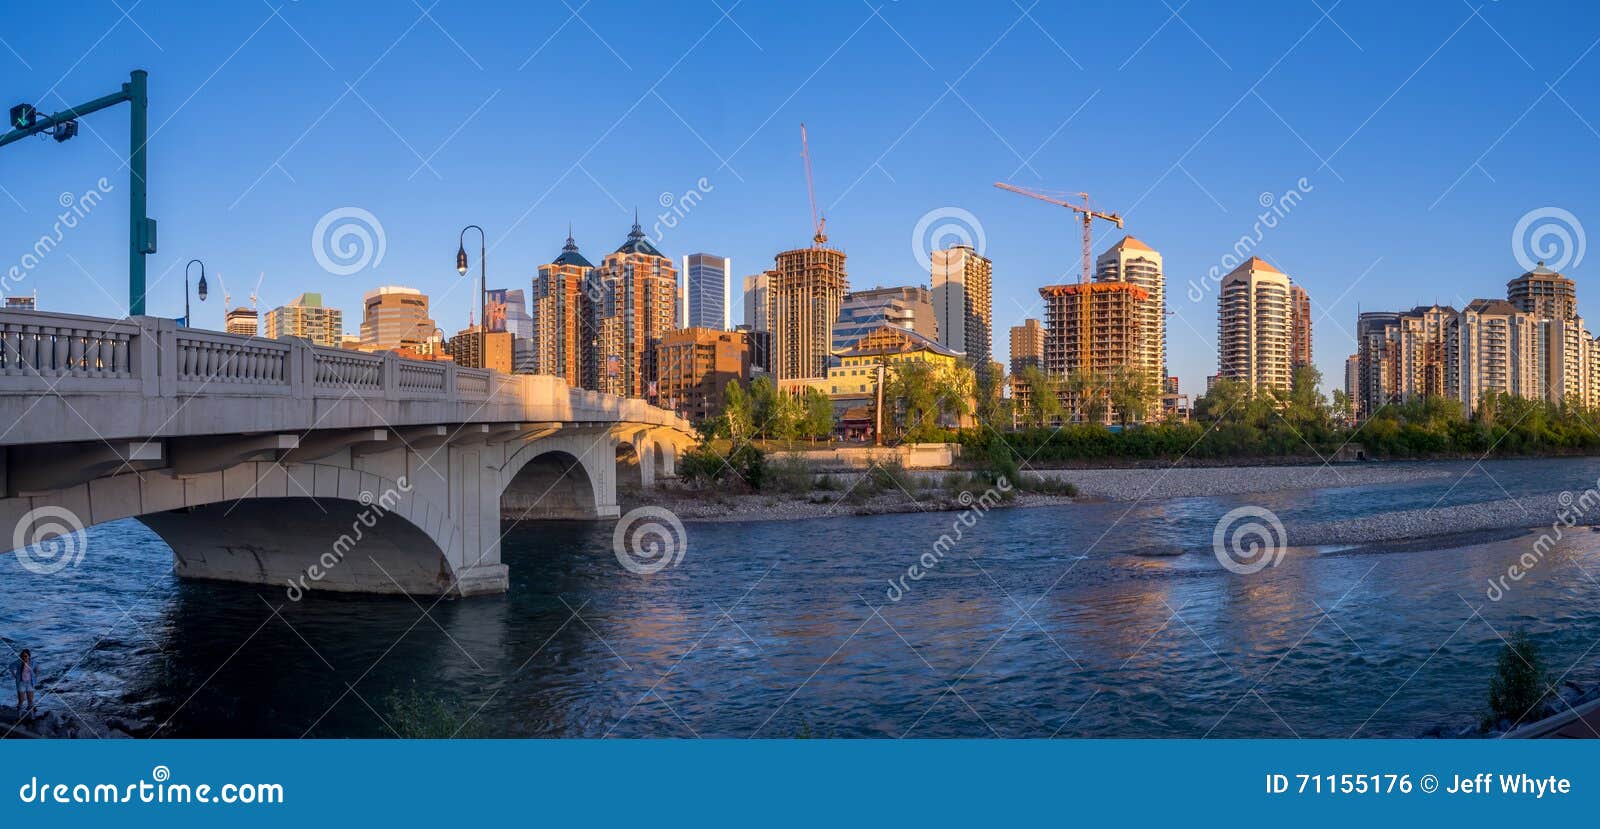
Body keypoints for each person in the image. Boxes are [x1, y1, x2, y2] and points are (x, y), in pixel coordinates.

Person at [10, 650, 37, 719]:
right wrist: (15, 675)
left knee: (30, 700)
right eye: (22, 656)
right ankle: (19, 716)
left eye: (25, 656)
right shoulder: (19, 662)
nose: (24, 658)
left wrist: (35, 676)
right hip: (21, 683)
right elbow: (11, 666)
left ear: (29, 656)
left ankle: (31, 716)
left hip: (30, 683)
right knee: (21, 700)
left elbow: (37, 668)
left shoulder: (32, 662)